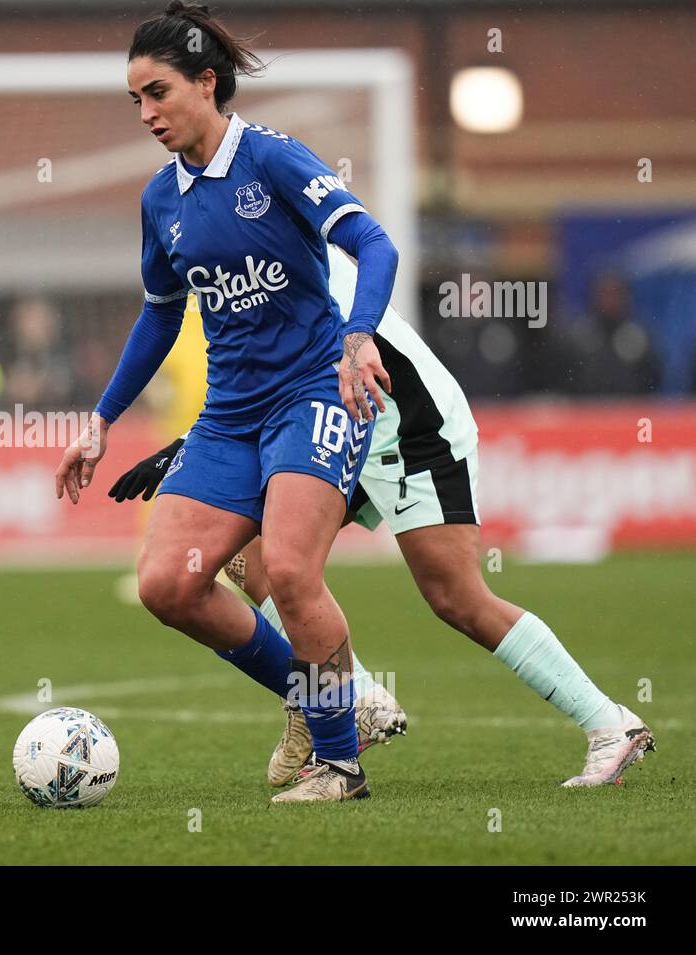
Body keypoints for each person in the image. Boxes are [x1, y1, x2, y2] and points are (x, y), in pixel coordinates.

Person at [111, 248, 657, 788]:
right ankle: (352, 698)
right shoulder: (249, 238)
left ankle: (609, 724)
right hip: (334, 419)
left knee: (457, 597)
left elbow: (306, 346)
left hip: (409, 426)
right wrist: (200, 449)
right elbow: (267, 369)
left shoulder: (288, 236)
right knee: (241, 546)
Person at [55, 2, 400, 803]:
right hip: (230, 415)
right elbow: (158, 311)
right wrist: (101, 419)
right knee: (167, 585)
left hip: (315, 391)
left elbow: (372, 242)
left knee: (285, 565)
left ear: (207, 82)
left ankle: (340, 765)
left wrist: (358, 338)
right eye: (135, 99)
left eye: (158, 93)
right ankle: (322, 696)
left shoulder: (273, 160)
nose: (146, 113)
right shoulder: (160, 200)